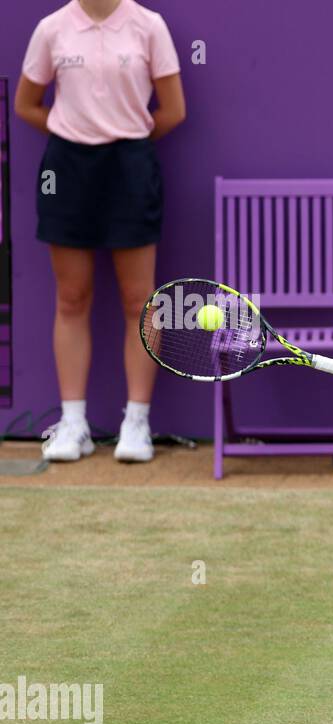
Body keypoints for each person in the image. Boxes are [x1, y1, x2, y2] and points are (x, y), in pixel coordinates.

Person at [15, 0, 186, 463]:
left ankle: (137, 421)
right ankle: (74, 424)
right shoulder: (51, 29)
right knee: (71, 297)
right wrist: (74, 132)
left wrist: (126, 144)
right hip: (67, 170)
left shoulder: (149, 26)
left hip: (131, 167)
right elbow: (26, 104)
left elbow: (172, 109)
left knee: (139, 300)